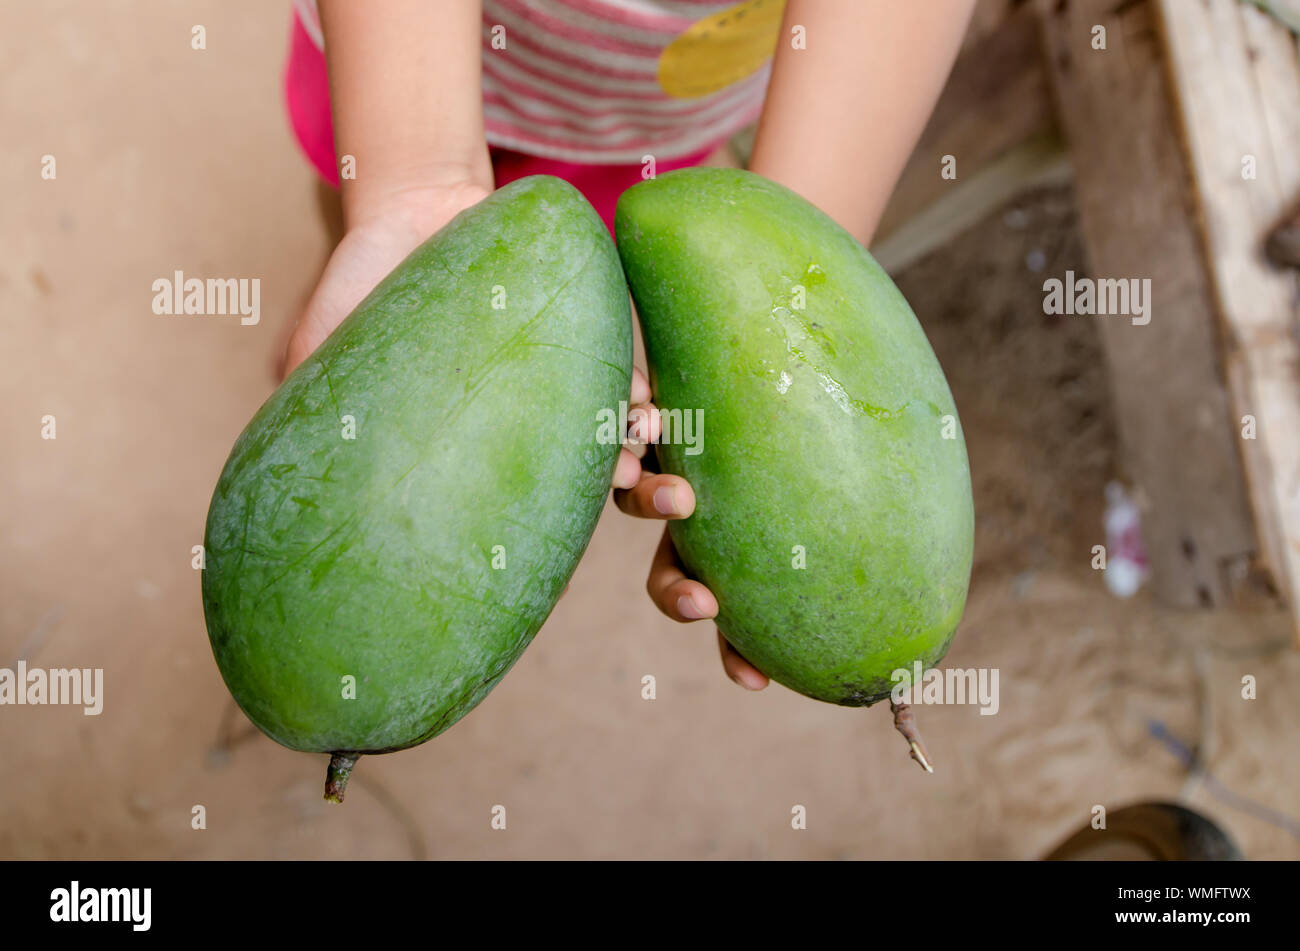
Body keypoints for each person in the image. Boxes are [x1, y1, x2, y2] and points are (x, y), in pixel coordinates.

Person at [279, 0, 975, 690]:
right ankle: (352, 241)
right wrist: (407, 189)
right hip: (403, 58)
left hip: (657, 111)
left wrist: (767, 341)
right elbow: (403, 186)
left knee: (588, 259)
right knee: (381, 231)